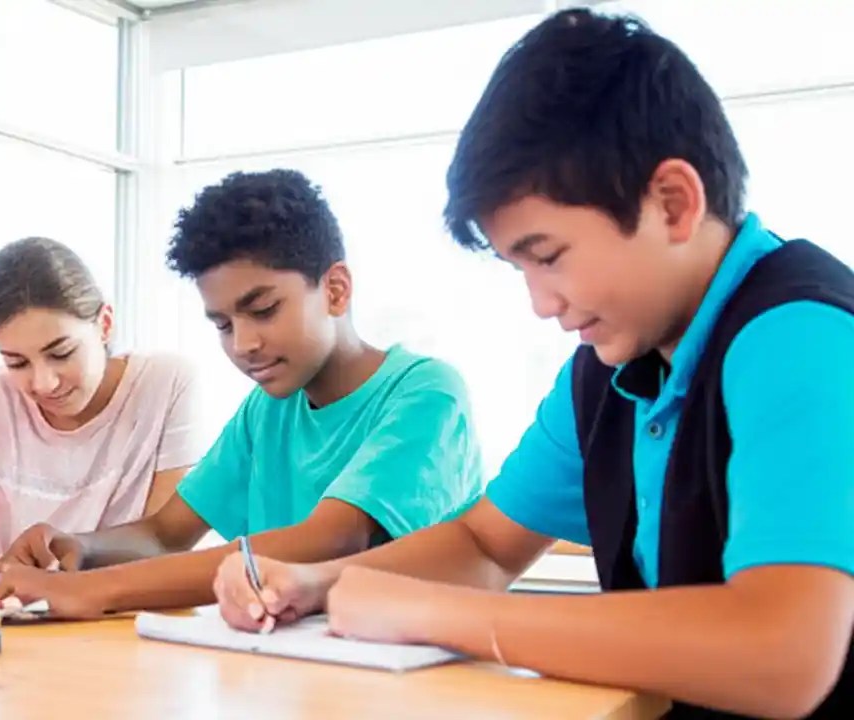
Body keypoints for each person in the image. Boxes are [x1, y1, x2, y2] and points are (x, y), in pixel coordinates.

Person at [212, 9, 854, 719]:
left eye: (548, 257)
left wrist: (432, 614)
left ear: (673, 202)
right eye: (520, 267)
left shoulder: (801, 333)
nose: (541, 304)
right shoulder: (604, 371)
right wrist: (319, 582)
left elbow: (783, 652)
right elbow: (485, 544)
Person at [0, 169, 484, 620]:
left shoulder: (426, 392)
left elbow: (331, 538)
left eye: (262, 310)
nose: (244, 344)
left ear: (335, 290)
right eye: (222, 324)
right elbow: (167, 532)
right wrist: (81, 547)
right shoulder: (268, 409)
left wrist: (91, 590)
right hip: (296, 668)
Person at [0, 237, 202, 576]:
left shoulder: (166, 382)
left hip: (127, 616)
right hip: (26, 619)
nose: (42, 383)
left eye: (61, 353)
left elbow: (167, 541)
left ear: (105, 324)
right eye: (17, 362)